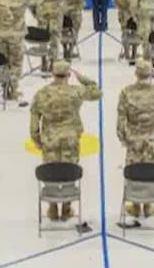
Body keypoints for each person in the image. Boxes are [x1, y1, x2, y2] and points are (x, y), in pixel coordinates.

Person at [28, 60, 102, 221]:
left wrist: (37, 140)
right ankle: (67, 207)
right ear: (68, 75)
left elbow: (34, 122)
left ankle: (53, 207)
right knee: (69, 170)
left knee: (51, 171)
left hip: (50, 138)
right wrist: (83, 79)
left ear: (52, 74)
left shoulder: (41, 94)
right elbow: (97, 92)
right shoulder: (76, 91)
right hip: (70, 138)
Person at [0, 0, 30, 104]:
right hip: (16, 36)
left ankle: (4, 88)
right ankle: (13, 90)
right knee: (16, 64)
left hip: (1, 35)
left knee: (4, 61)